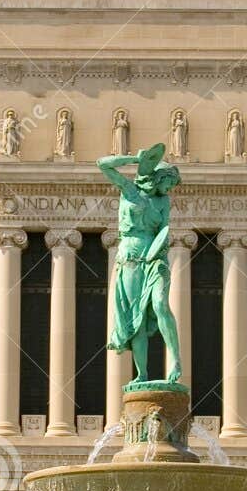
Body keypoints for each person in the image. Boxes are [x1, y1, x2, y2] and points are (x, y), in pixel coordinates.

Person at [99, 143, 183, 383]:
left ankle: (175, 360)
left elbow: (163, 230)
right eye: (169, 183)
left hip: (155, 259)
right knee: (137, 319)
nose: (170, 189)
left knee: (160, 304)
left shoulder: (163, 202)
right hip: (130, 260)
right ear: (159, 177)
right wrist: (136, 160)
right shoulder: (130, 190)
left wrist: (157, 249)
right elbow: (103, 164)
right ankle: (142, 374)